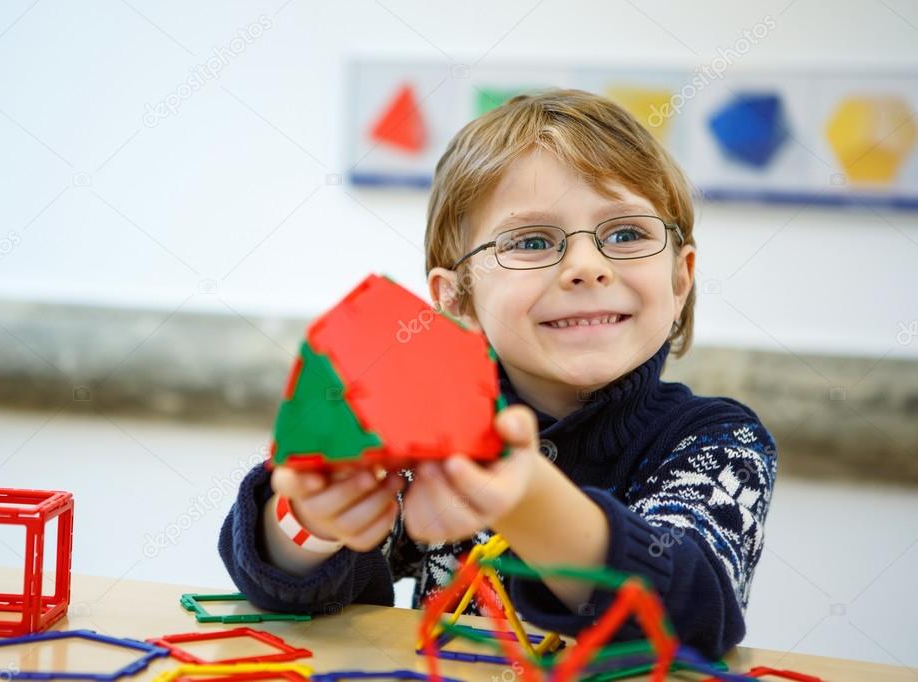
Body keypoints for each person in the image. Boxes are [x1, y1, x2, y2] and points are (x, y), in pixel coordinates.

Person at [219, 88, 777, 659]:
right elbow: (286, 586)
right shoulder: (427, 427)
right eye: (532, 241)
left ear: (680, 279)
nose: (587, 267)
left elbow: (694, 612)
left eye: (626, 234)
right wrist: (312, 520)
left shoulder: (719, 442)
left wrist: (526, 496)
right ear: (456, 299)